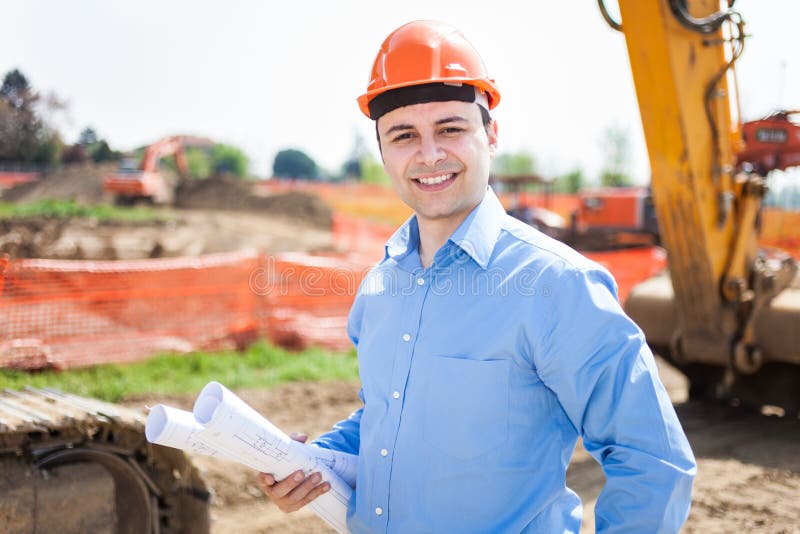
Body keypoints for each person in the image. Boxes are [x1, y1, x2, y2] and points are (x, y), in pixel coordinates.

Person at [258, 20, 696, 533]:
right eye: (404, 135)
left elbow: (653, 461)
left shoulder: (557, 285)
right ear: (382, 151)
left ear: (490, 133)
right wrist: (312, 463)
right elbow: (390, 417)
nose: (429, 154)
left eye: (450, 128)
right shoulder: (382, 284)